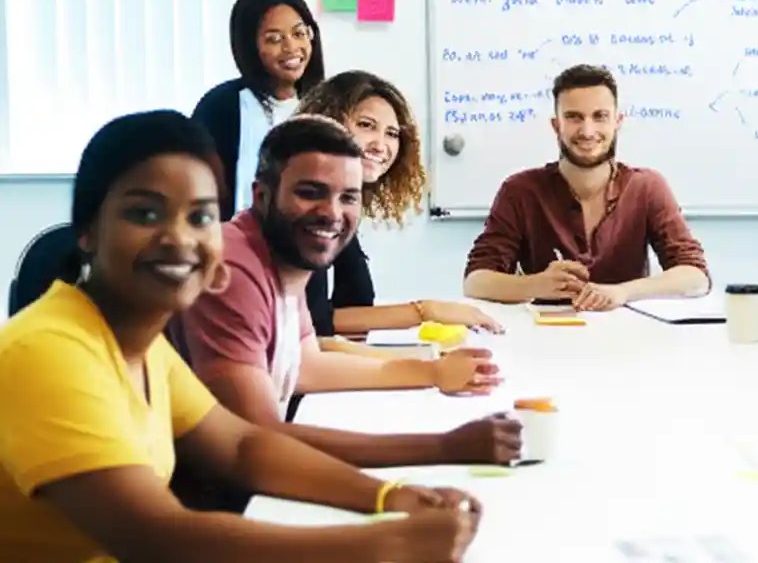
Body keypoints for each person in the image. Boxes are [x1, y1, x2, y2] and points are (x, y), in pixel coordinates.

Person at [0, 110, 481, 562]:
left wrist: (389, 496)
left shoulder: (140, 346)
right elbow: (153, 535)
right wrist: (385, 544)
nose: (179, 239)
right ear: (86, 230)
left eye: (200, 217)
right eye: (144, 214)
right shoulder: (47, 350)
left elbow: (242, 447)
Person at [170, 116, 522, 479]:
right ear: (262, 196)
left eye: (348, 197)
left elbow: (307, 365)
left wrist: (433, 372)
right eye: (310, 193)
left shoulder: (284, 258)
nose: (332, 213)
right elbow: (256, 441)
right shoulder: (231, 270)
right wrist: (445, 448)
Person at [463, 64, 711, 310]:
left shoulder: (647, 187)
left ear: (617, 122)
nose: (588, 131)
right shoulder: (520, 190)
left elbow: (696, 276)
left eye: (600, 116)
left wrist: (622, 292)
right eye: (574, 117)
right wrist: (536, 285)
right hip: (545, 330)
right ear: (556, 125)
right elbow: (475, 282)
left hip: (629, 329)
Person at [296, 70, 501, 343]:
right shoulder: (307, 209)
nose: (381, 145)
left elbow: (349, 308)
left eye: (391, 133)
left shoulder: (342, 211)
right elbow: (313, 323)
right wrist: (425, 311)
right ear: (328, 125)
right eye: (366, 125)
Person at [193, 0, 326, 220]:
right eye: (274, 39)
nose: (291, 48)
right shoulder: (221, 106)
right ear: (250, 46)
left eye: (299, 34)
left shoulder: (327, 104)